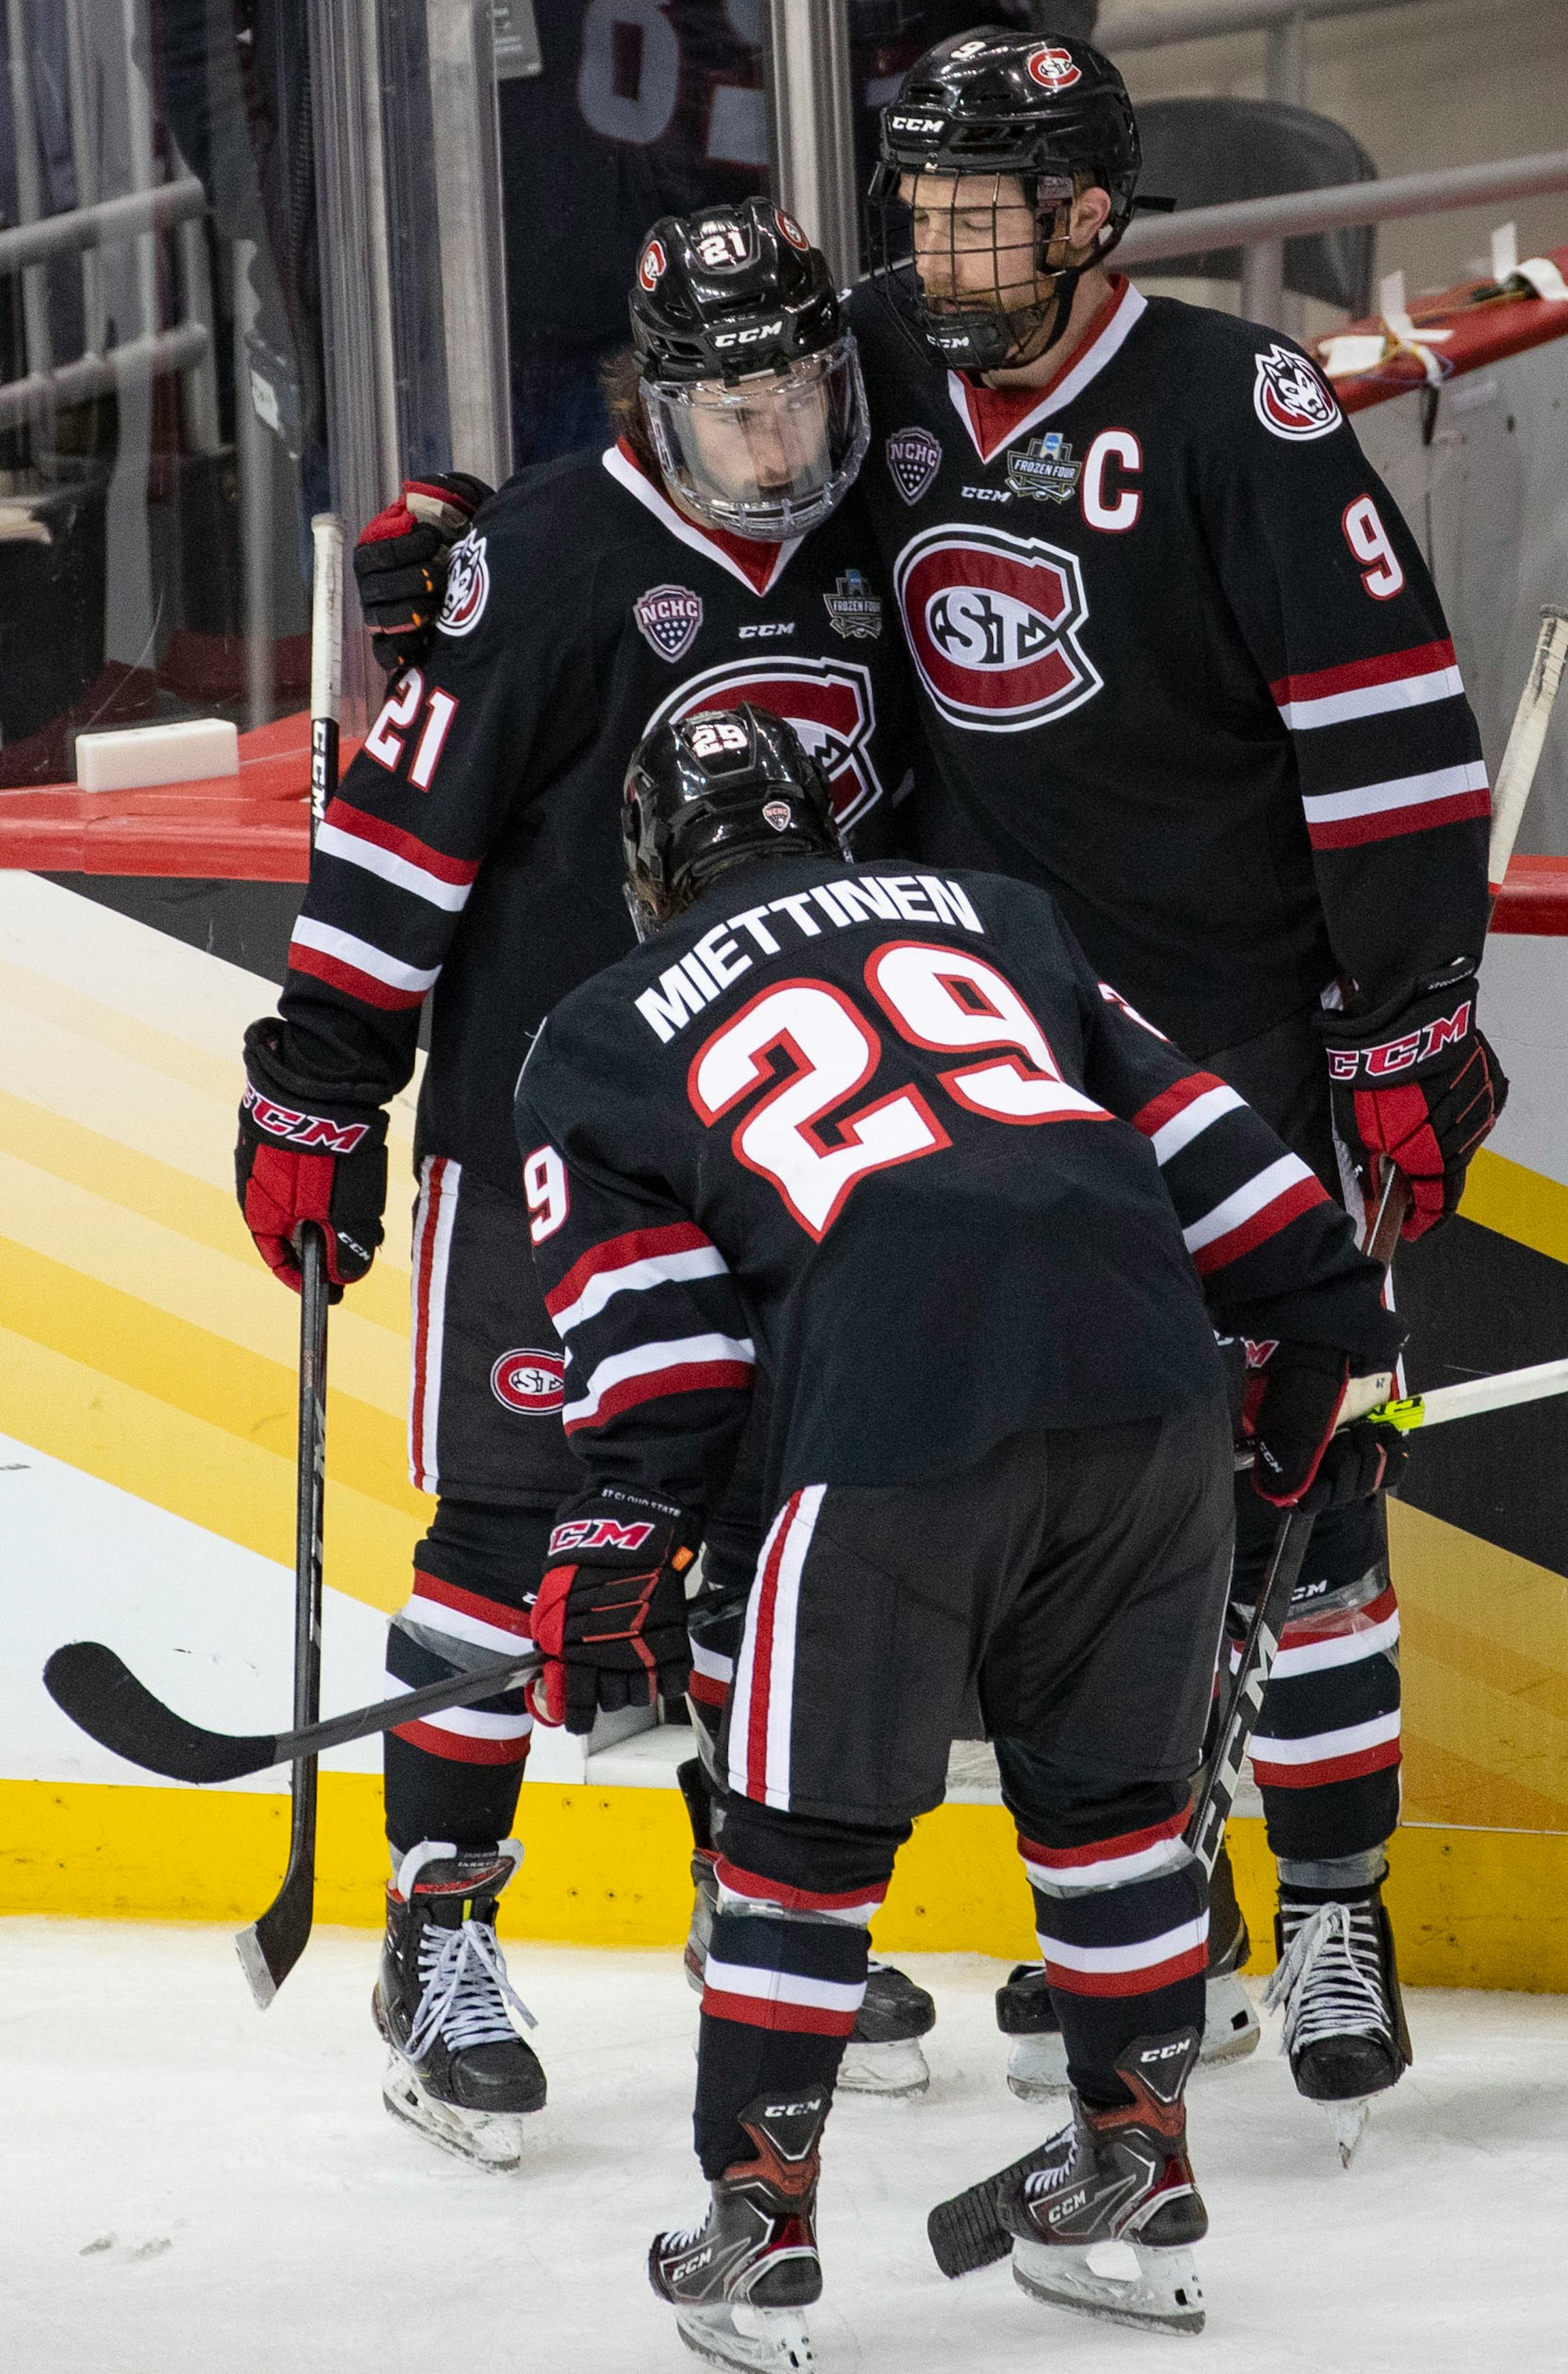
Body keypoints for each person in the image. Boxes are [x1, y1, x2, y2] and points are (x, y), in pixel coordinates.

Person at [513, 706, 1405, 2359]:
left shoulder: (593, 1030)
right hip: (1150, 1388)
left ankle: (758, 2221)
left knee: (798, 1837)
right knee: (1117, 1809)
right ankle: (1138, 2155)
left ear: (649, 870)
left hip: (894, 1420)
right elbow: (1207, 1142)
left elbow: (668, 1339)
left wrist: (629, 1523)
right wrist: (1327, 1325)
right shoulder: (997, 915)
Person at [233, 199, 936, 2171]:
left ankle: (748, 1904)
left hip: (791, 1145)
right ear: (657, 403)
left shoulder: (873, 541)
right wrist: (317, 1090)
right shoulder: (541, 562)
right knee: (510, 1531)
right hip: (543, 1142)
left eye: (804, 397)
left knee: (764, 1526)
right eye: (738, 411)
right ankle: (437, 1933)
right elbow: (396, 849)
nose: (779, 445)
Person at [849, 25, 1507, 2122]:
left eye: (980, 202)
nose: (935, 237)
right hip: (1004, 1062)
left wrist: (1406, 1022)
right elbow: (690, 501)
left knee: (1305, 1492)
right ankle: (1161, 1900)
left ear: (1088, 216)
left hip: (1232, 1046)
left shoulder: (1240, 409)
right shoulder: (871, 369)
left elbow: (1397, 739)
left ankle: (1330, 1901)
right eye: (922, 196)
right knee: (1090, 1517)